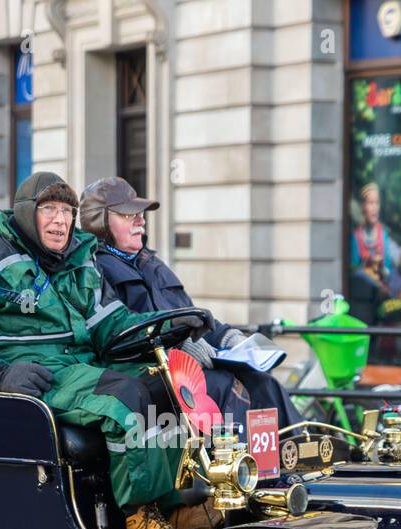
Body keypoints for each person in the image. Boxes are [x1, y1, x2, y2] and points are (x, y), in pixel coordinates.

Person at [0, 171, 215, 529]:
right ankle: (138, 524)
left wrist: (173, 324)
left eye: (67, 211)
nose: (60, 221)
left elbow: (112, 325)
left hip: (79, 367)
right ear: (26, 213)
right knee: (124, 399)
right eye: (49, 210)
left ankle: (174, 506)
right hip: (30, 377)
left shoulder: (81, 261)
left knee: (164, 387)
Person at [80, 176, 300, 431]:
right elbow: (117, 334)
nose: (141, 220)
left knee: (264, 384)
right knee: (224, 385)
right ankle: (236, 469)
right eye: (128, 215)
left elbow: (192, 315)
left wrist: (229, 338)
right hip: (145, 369)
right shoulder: (95, 270)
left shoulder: (152, 264)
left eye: (140, 213)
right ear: (100, 222)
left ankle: (297, 455)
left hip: (185, 364)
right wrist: (180, 346)